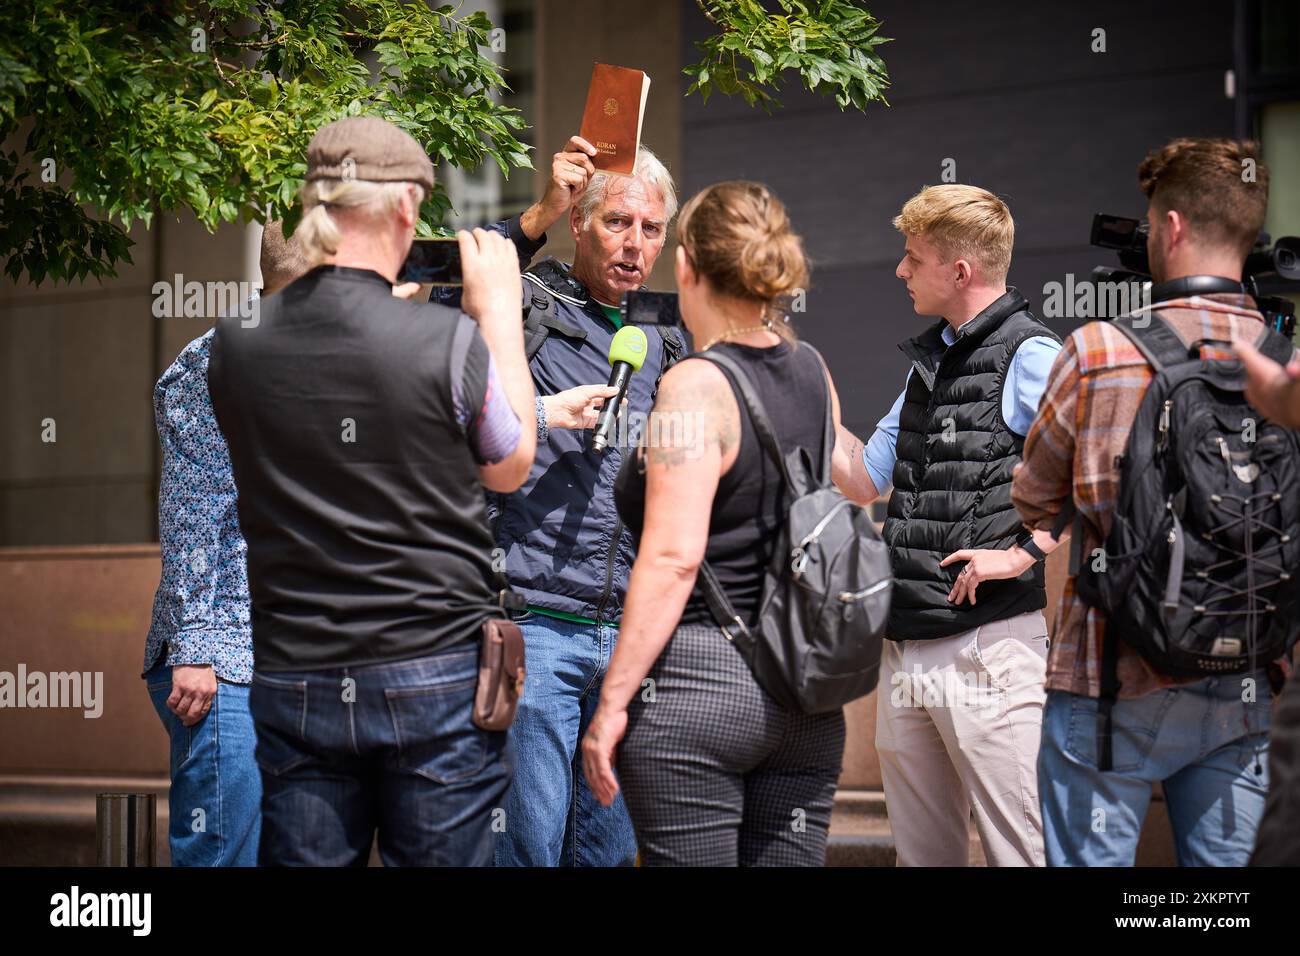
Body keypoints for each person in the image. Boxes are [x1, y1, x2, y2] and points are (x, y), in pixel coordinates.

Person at [207, 115, 536, 866]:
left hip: (295, 668)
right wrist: (497, 319)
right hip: (434, 668)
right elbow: (510, 464)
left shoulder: (238, 344)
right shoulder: (443, 341)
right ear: (408, 209)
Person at [1013, 137, 1291, 866]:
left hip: (1108, 677)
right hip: (1248, 676)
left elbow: (1033, 496)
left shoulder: (1100, 349)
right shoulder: (1289, 364)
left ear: (1169, 227)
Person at [581, 180, 852, 866]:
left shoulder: (694, 385)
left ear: (688, 268)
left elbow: (674, 556)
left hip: (702, 692)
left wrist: (612, 703)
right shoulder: (813, 369)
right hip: (807, 697)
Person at [436, 137, 683, 867]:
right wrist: (540, 210)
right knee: (527, 849)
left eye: (652, 229)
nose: (636, 244)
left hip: (630, 640)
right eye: (618, 223)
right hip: (534, 626)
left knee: (606, 855)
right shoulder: (525, 302)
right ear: (582, 223)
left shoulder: (665, 335)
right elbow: (448, 292)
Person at [828, 185, 1064, 866]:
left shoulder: (1031, 355)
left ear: (959, 270)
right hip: (908, 651)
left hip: (989, 650)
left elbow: (1100, 466)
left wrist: (1021, 555)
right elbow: (862, 479)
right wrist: (803, 382)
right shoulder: (930, 365)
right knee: (923, 860)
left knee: (1021, 854)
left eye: (913, 257)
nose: (901, 271)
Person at [142, 222, 308, 866]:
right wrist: (197, 648)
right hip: (224, 662)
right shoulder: (216, 362)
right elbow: (194, 512)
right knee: (224, 856)